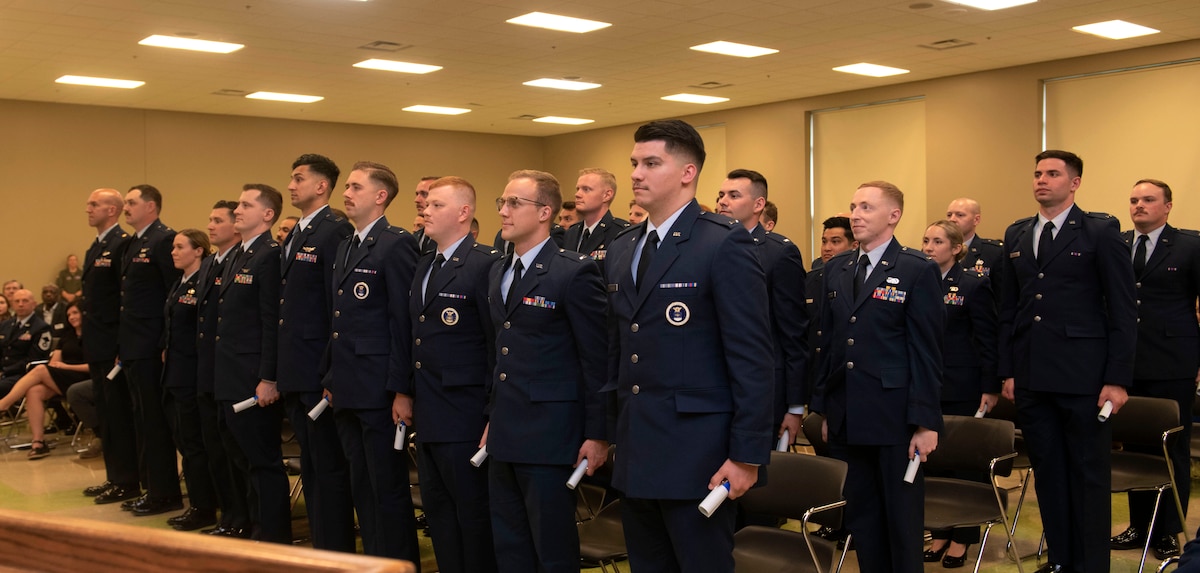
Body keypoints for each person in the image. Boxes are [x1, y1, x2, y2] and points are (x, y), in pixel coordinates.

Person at [606, 120, 772, 571]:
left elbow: (753, 357)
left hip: (699, 452)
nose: (636, 174)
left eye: (651, 163)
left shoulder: (722, 242)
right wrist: (601, 431)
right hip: (637, 446)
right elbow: (618, 349)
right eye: (634, 163)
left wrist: (746, 455)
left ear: (687, 172)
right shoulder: (623, 247)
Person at [998, 150, 1137, 573]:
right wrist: (1008, 370)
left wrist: (1117, 378)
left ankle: (1090, 565)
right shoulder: (1018, 233)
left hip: (1084, 377)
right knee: (1049, 474)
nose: (1042, 180)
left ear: (1074, 183)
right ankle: (1060, 560)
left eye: (1053, 174)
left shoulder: (1099, 231)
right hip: (1032, 376)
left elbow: (1123, 309)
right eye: (1038, 173)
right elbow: (1008, 309)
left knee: (1088, 475)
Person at [812, 181, 943, 572]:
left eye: (867, 207)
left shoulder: (916, 268)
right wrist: (824, 408)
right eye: (854, 206)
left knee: (901, 523)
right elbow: (828, 344)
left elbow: (927, 352)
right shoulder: (836, 268)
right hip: (847, 415)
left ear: (893, 215)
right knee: (863, 520)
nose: (856, 215)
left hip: (895, 416)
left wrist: (926, 422)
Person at [485, 169, 608, 573]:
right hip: (505, 428)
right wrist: (491, 416)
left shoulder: (572, 271)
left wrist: (598, 433)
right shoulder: (499, 269)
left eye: (514, 203)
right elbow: (500, 352)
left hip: (551, 432)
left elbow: (596, 358)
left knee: (552, 549)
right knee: (510, 545)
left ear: (544, 212)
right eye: (502, 202)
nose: (503, 211)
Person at [324, 161, 420, 560]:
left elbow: (403, 323)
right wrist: (331, 376)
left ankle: (397, 564)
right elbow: (339, 319)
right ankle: (373, 563)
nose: (346, 193)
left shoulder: (396, 244)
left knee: (387, 488)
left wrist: (402, 389)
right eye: (346, 186)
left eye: (355, 187)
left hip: (380, 387)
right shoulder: (347, 244)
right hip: (348, 384)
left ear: (381, 196)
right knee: (361, 486)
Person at [410, 176, 499, 573]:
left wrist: (493, 412)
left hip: (465, 411)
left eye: (436, 205)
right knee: (439, 514)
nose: (425, 210)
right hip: (429, 407)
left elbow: (495, 343)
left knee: (472, 515)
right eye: (426, 204)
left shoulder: (485, 263)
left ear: (464, 213)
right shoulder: (426, 262)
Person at [1110, 178, 1200, 559]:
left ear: (1167, 206)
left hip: (1172, 361)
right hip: (1127, 363)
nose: (1139, 206)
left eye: (1148, 199)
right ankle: (1139, 525)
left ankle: (1167, 531)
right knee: (1134, 446)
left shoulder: (1189, 245)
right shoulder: (1118, 244)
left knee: (1171, 448)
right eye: (1134, 200)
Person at [278, 154, 356, 551]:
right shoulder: (299, 231)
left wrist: (330, 373)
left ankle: (335, 550)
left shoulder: (334, 230)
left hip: (317, 370)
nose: (291, 186)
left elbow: (335, 308)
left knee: (327, 468)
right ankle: (322, 545)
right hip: (295, 367)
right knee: (310, 466)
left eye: (299, 179)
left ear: (321, 186)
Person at [214, 184, 290, 543]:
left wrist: (269, 377)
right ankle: (255, 527)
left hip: (252, 379)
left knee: (263, 462)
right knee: (242, 459)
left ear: (268, 215)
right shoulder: (239, 255)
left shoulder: (269, 255)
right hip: (230, 375)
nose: (237, 210)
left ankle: (273, 538)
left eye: (246, 205)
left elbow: (272, 321)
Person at [921, 220, 998, 568]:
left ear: (956, 249)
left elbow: (987, 338)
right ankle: (939, 531)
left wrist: (990, 386)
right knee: (934, 462)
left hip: (962, 383)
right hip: (926, 383)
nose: (929, 247)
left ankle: (962, 538)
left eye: (937, 242)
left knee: (963, 463)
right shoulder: (917, 280)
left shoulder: (972, 283)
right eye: (926, 240)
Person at [715, 169, 808, 447]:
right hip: (715, 384)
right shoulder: (708, 246)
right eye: (721, 195)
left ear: (758, 205)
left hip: (763, 389)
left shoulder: (778, 253)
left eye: (734, 195)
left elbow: (793, 334)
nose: (723, 201)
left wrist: (794, 406)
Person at [118, 184, 183, 516]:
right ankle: (151, 488)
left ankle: (165, 492)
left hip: (151, 344)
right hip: (133, 344)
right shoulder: (135, 242)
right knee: (142, 420)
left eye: (131, 202)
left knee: (155, 422)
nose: (125, 207)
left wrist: (165, 342)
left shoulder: (162, 240)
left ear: (151, 206)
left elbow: (173, 294)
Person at [78, 189, 139, 505]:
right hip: (96, 343)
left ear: (112, 210)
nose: (88, 208)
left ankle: (127, 480)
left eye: (94, 204)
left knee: (118, 414)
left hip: (112, 343)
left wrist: (120, 344)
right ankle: (114, 476)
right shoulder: (97, 245)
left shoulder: (121, 244)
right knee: (105, 412)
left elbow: (123, 298)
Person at [195, 199, 251, 538]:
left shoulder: (239, 261)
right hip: (210, 369)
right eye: (210, 220)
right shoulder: (211, 263)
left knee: (236, 453)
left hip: (232, 370)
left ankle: (242, 518)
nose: (211, 226)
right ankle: (229, 515)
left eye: (218, 220)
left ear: (234, 226)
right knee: (216, 449)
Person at [161, 229, 218, 531]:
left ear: (198, 251)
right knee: (184, 441)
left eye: (180, 247)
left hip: (193, 373)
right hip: (175, 373)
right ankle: (199, 502)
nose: (174, 251)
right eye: (173, 247)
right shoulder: (179, 283)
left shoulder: (202, 283)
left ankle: (203, 507)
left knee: (195, 444)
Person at [806, 215, 856, 544]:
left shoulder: (857, 277)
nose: (827, 247)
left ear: (852, 244)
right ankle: (833, 520)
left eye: (835, 241)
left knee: (849, 465)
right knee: (827, 461)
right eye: (824, 241)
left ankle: (851, 525)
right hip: (819, 380)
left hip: (848, 384)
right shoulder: (813, 279)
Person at [0, 300, 89, 459]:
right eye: (69, 314)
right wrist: (58, 367)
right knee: (34, 390)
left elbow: (95, 366)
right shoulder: (67, 336)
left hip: (83, 377)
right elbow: (54, 361)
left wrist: (66, 367)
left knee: (40, 369)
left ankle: (4, 404)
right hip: (63, 376)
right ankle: (38, 443)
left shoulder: (95, 336)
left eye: (75, 313)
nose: (71, 317)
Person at [563, 168, 630, 277]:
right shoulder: (571, 232)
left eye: (586, 189)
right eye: (578, 189)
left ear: (606, 195)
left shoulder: (621, 233)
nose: (577, 194)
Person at [0, 289, 54, 399]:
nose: (20, 304)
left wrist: (5, 371)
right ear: (12, 305)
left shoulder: (41, 328)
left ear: (34, 304)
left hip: (22, 374)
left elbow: (34, 360)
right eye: (17, 301)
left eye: (25, 301)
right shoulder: (5, 325)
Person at [946, 198, 1004, 295]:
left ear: (976, 220)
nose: (952, 219)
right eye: (949, 215)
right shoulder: (938, 250)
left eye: (960, 215)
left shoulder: (994, 252)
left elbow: (1002, 294)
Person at [414, 175, 440, 255]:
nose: (416, 200)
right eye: (417, 194)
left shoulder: (449, 237)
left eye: (424, 194)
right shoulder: (415, 237)